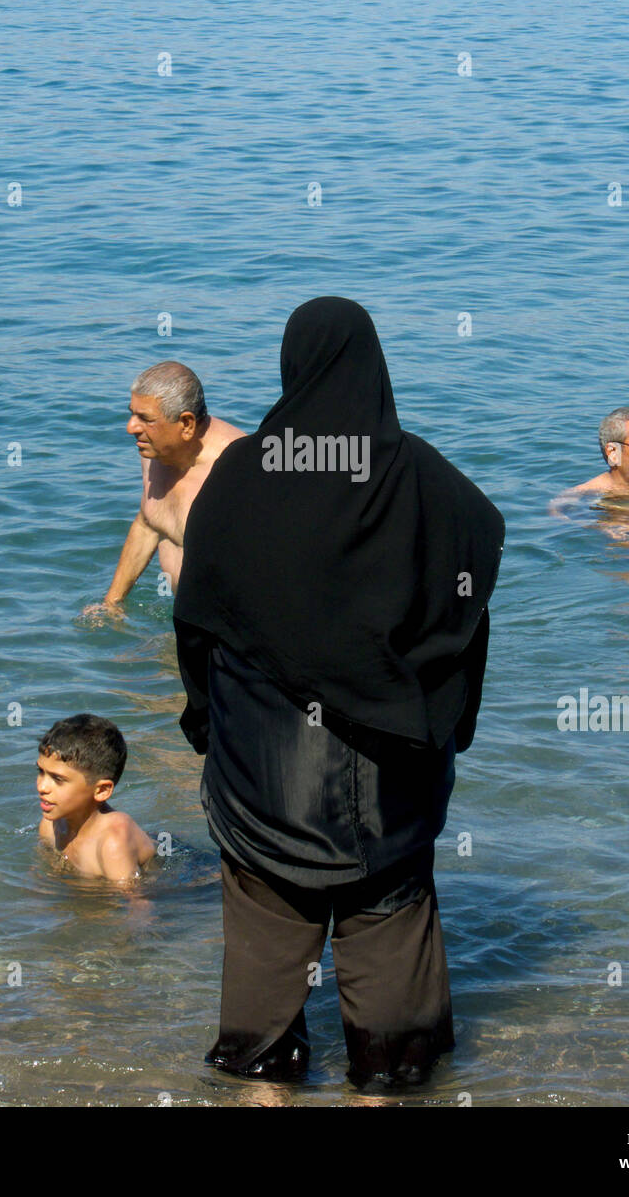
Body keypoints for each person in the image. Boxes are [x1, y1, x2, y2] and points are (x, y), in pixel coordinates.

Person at [172, 297, 505, 1088]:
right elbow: (468, 608)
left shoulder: (241, 476)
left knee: (264, 927)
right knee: (388, 926)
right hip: (391, 775)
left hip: (263, 766)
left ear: (293, 367)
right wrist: (445, 725)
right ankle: (385, 1086)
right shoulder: (424, 478)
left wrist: (205, 726)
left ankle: (263, 1083)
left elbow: (196, 623)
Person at [85, 362, 244, 616]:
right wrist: (111, 603)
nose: (131, 427)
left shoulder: (236, 469)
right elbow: (148, 523)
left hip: (228, 628)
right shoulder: (155, 451)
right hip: (186, 618)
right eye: (132, 414)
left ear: (186, 424)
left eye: (145, 419)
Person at [37, 713, 155, 882]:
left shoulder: (112, 843)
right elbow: (43, 875)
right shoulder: (50, 824)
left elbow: (138, 903)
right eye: (41, 772)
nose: (42, 787)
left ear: (101, 790)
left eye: (58, 779)